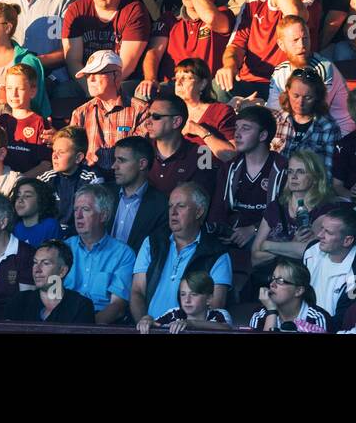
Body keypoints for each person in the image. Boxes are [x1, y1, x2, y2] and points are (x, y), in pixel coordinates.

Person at [131, 182, 231, 321]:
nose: (173, 212)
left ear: (199, 212)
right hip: (150, 328)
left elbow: (214, 306)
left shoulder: (217, 254)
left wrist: (186, 327)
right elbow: (137, 291)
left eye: (181, 206)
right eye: (170, 206)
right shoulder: (152, 243)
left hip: (188, 329)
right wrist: (143, 322)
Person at [62, 184, 135, 325]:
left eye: (85, 209)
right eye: (76, 209)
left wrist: (87, 328)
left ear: (103, 216)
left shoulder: (123, 254)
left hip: (99, 322)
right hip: (63, 320)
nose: (78, 216)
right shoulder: (63, 248)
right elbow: (51, 295)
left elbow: (117, 306)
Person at [67, 49, 150, 172]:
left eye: (97, 73)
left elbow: (139, 154)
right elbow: (72, 151)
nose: (90, 79)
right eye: (88, 75)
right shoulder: (80, 113)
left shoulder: (141, 110)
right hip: (91, 178)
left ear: (117, 75)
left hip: (126, 178)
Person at [3, 238, 97, 324]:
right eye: (35, 262)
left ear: (62, 271)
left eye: (46, 263)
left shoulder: (81, 306)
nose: (37, 269)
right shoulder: (19, 301)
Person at [301, 204, 356, 329]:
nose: (319, 235)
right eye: (322, 228)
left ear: (347, 240)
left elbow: (346, 318)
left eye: (328, 232)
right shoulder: (311, 250)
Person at [37, 126, 107, 238]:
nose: (54, 156)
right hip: (50, 238)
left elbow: (94, 219)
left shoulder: (92, 179)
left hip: (80, 238)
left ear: (78, 158)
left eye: (61, 152)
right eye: (54, 151)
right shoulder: (46, 179)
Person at [146, 88, 216, 196]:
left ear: (176, 122)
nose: (148, 122)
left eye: (156, 117)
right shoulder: (140, 149)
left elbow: (202, 198)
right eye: (148, 116)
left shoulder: (203, 154)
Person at [248, 257, 332, 332]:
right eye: (273, 278)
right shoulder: (260, 315)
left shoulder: (316, 318)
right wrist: (271, 311)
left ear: (298, 291)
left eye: (280, 280)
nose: (272, 284)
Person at [11, 179, 62, 247]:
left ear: (41, 200)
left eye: (27, 196)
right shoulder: (14, 227)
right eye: (18, 196)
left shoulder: (50, 225)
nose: (20, 200)